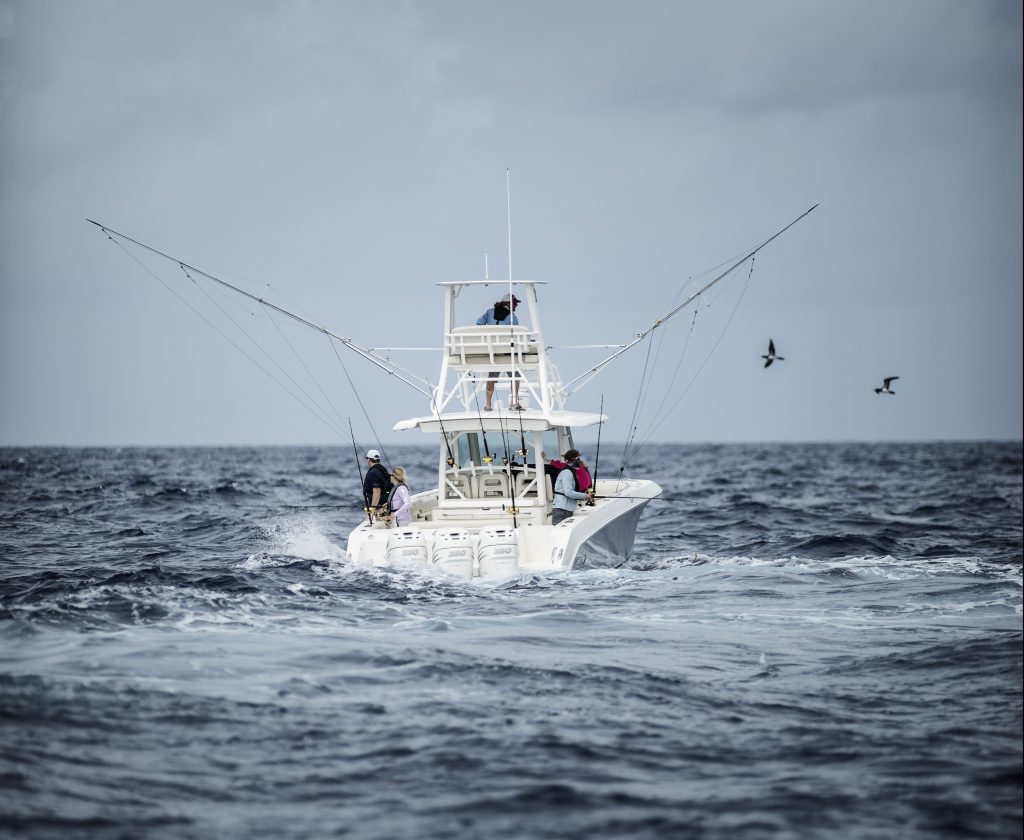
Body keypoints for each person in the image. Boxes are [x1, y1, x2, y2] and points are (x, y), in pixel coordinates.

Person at [476, 293, 522, 411]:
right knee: (515, 376)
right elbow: (517, 334)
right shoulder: (512, 316)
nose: (516, 305)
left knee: (491, 378)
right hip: (507, 353)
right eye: (515, 303)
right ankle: (514, 403)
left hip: (493, 352)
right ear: (508, 303)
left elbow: (478, 324)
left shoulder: (490, 312)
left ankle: (488, 405)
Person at [550, 449, 591, 525]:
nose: (580, 461)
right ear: (573, 460)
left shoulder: (572, 471)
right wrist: (585, 496)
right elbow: (568, 492)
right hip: (562, 510)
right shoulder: (567, 472)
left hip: (566, 509)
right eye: (578, 459)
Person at [362, 449, 392, 519]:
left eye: (367, 459)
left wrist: (372, 509)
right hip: (385, 505)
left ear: (369, 460)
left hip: (380, 507)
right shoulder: (382, 470)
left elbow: (377, 491)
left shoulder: (373, 472)